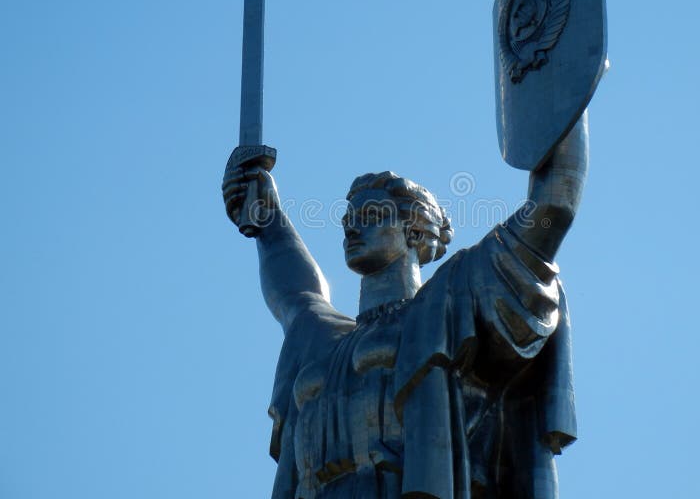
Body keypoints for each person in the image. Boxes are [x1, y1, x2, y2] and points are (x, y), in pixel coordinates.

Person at [222, 112, 588, 499]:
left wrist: (555, 92)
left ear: (415, 231)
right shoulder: (320, 337)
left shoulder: (450, 302)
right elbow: (296, 291)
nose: (352, 227)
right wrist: (265, 216)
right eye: (349, 219)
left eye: (372, 215)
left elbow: (554, 203)